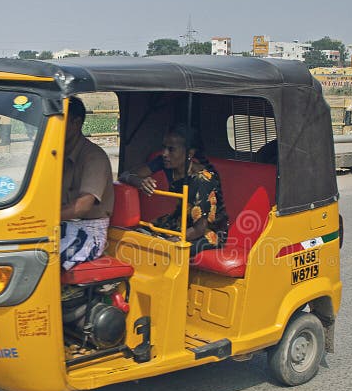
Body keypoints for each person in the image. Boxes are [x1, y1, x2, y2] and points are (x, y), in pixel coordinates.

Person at [119, 124, 228, 256]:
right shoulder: (165, 163)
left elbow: (200, 228)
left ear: (189, 153)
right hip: (179, 220)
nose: (165, 154)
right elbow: (125, 175)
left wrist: (170, 240)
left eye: (171, 149)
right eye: (164, 148)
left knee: (169, 249)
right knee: (137, 236)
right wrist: (140, 182)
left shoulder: (203, 180)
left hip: (205, 232)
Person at [59, 97, 114, 270]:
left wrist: (42, 217)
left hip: (88, 231)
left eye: (59, 121)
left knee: (46, 263)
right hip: (61, 225)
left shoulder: (94, 157)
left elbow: (83, 206)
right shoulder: (55, 153)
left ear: (76, 123)